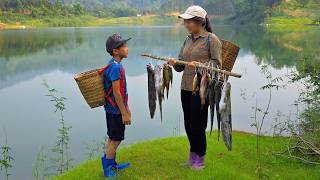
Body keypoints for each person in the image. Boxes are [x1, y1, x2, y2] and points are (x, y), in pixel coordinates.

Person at [168, 5, 222, 170]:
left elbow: (217, 66)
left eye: (189, 21)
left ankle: (200, 159)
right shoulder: (187, 39)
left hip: (201, 89)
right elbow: (181, 66)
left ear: (199, 22)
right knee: (188, 124)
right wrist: (174, 64)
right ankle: (192, 156)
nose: (186, 24)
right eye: (185, 21)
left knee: (198, 125)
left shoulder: (211, 39)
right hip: (185, 87)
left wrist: (200, 65)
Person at [100, 33, 132, 178]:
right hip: (115, 111)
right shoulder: (115, 67)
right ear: (115, 51)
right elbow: (117, 93)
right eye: (124, 46)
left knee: (113, 138)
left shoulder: (116, 64)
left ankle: (111, 165)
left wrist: (127, 108)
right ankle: (108, 171)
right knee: (116, 139)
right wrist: (124, 112)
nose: (127, 48)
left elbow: (122, 92)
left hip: (114, 109)